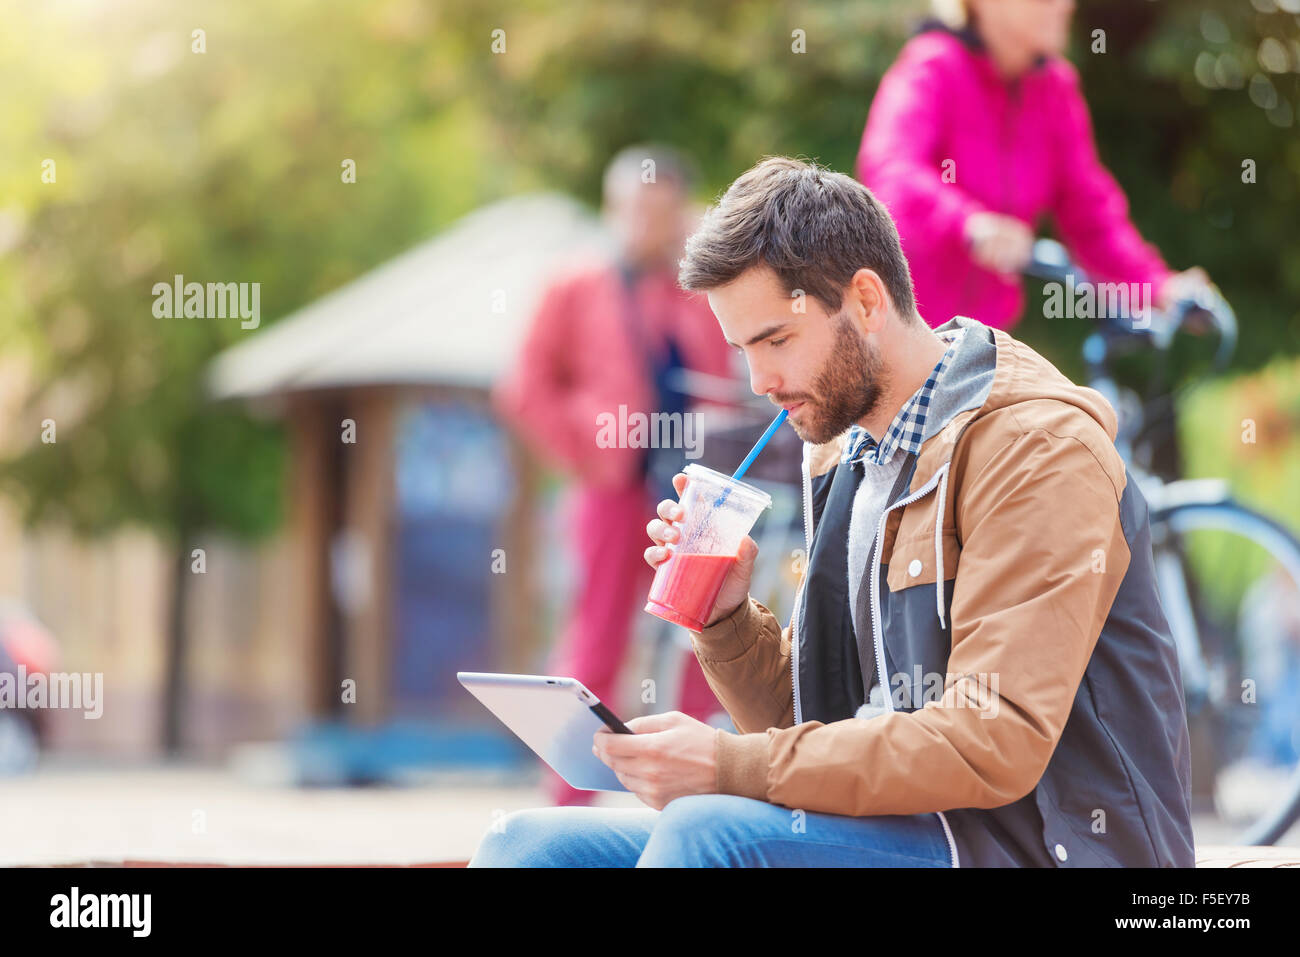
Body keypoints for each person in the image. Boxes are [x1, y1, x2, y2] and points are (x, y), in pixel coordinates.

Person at [468, 156, 1195, 867]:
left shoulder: (1036, 451)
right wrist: (727, 624)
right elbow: (823, 731)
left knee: (706, 832)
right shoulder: (846, 453)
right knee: (531, 844)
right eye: (742, 350)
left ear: (868, 303)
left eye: (776, 340)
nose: (760, 381)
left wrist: (726, 763)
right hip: (889, 823)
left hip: (1030, 843)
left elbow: (990, 742)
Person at [491, 144, 737, 807]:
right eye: (631, 207)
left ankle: (694, 794)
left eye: (659, 210)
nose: (642, 223)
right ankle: (568, 799)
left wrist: (704, 246)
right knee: (595, 637)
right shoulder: (573, 284)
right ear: (610, 207)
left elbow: (731, 368)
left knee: (707, 638)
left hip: (695, 488)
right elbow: (525, 387)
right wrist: (586, 447)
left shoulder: (698, 287)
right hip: (612, 487)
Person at [856, 0, 1210, 332]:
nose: (1065, 4)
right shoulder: (934, 65)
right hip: (896, 333)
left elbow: (1089, 211)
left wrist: (1157, 287)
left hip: (976, 348)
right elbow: (890, 170)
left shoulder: (1054, 88)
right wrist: (970, 224)